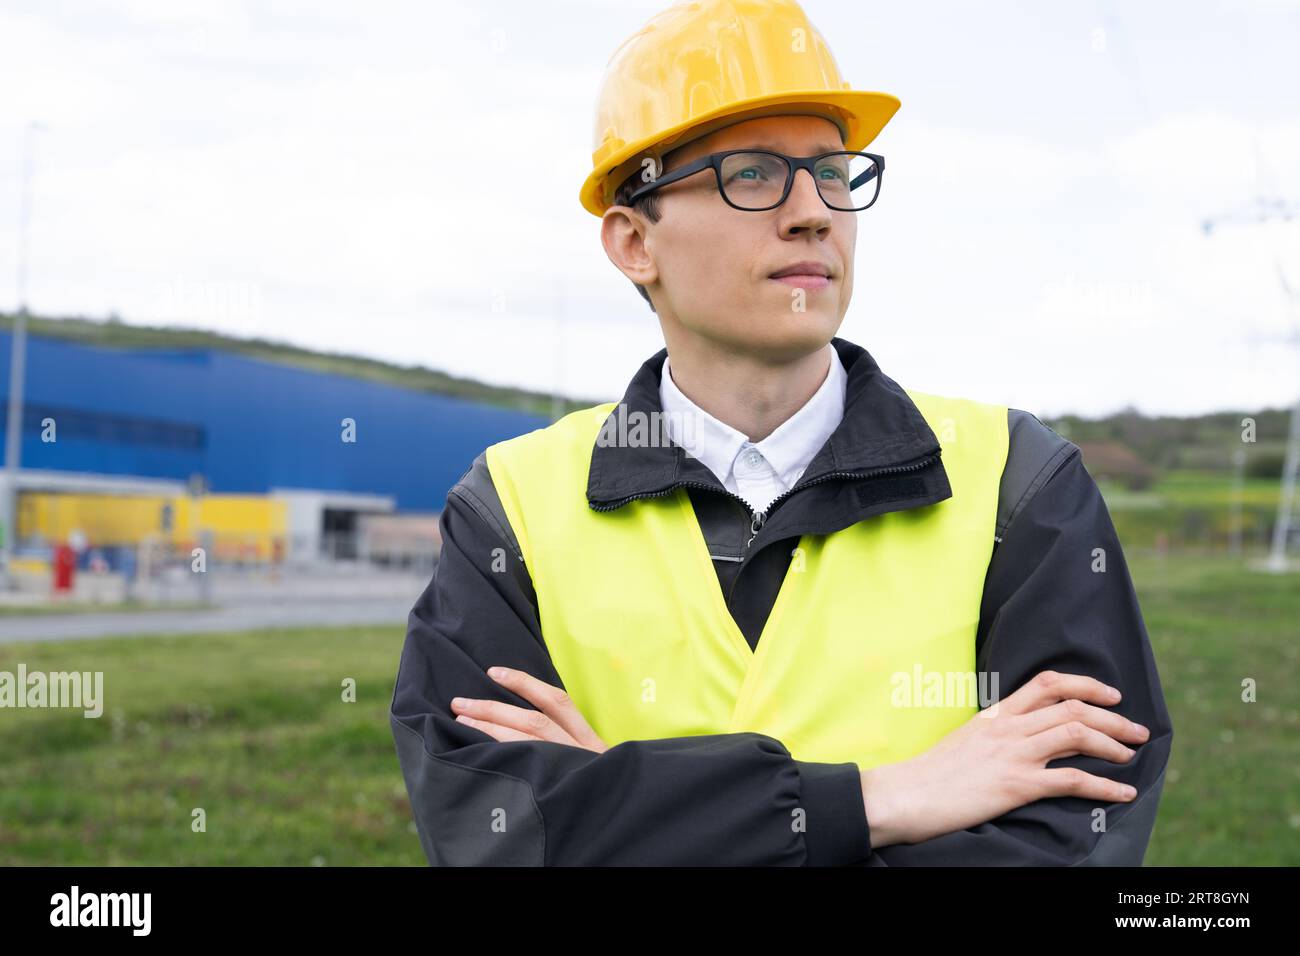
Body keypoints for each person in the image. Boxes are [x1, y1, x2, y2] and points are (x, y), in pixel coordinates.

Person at [390, 0, 1172, 866]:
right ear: (632, 241)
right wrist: (882, 799)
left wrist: (631, 806)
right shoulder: (511, 508)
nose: (816, 213)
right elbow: (493, 838)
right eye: (753, 174)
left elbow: (1073, 840)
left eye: (834, 172)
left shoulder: (1020, 484)